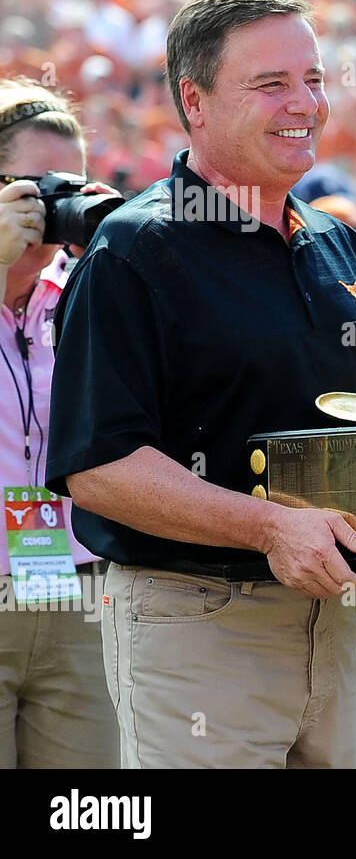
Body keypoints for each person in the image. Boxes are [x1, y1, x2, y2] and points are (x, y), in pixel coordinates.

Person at [44, 0, 356, 769]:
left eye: (312, 79)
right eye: (271, 84)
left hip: (334, 620)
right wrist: (272, 526)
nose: (303, 102)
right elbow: (97, 465)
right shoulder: (136, 249)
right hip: (197, 618)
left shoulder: (340, 245)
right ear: (194, 101)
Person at [0, 78, 118, 769]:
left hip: (77, 589)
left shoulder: (79, 292)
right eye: (33, 186)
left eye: (69, 186)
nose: (54, 207)